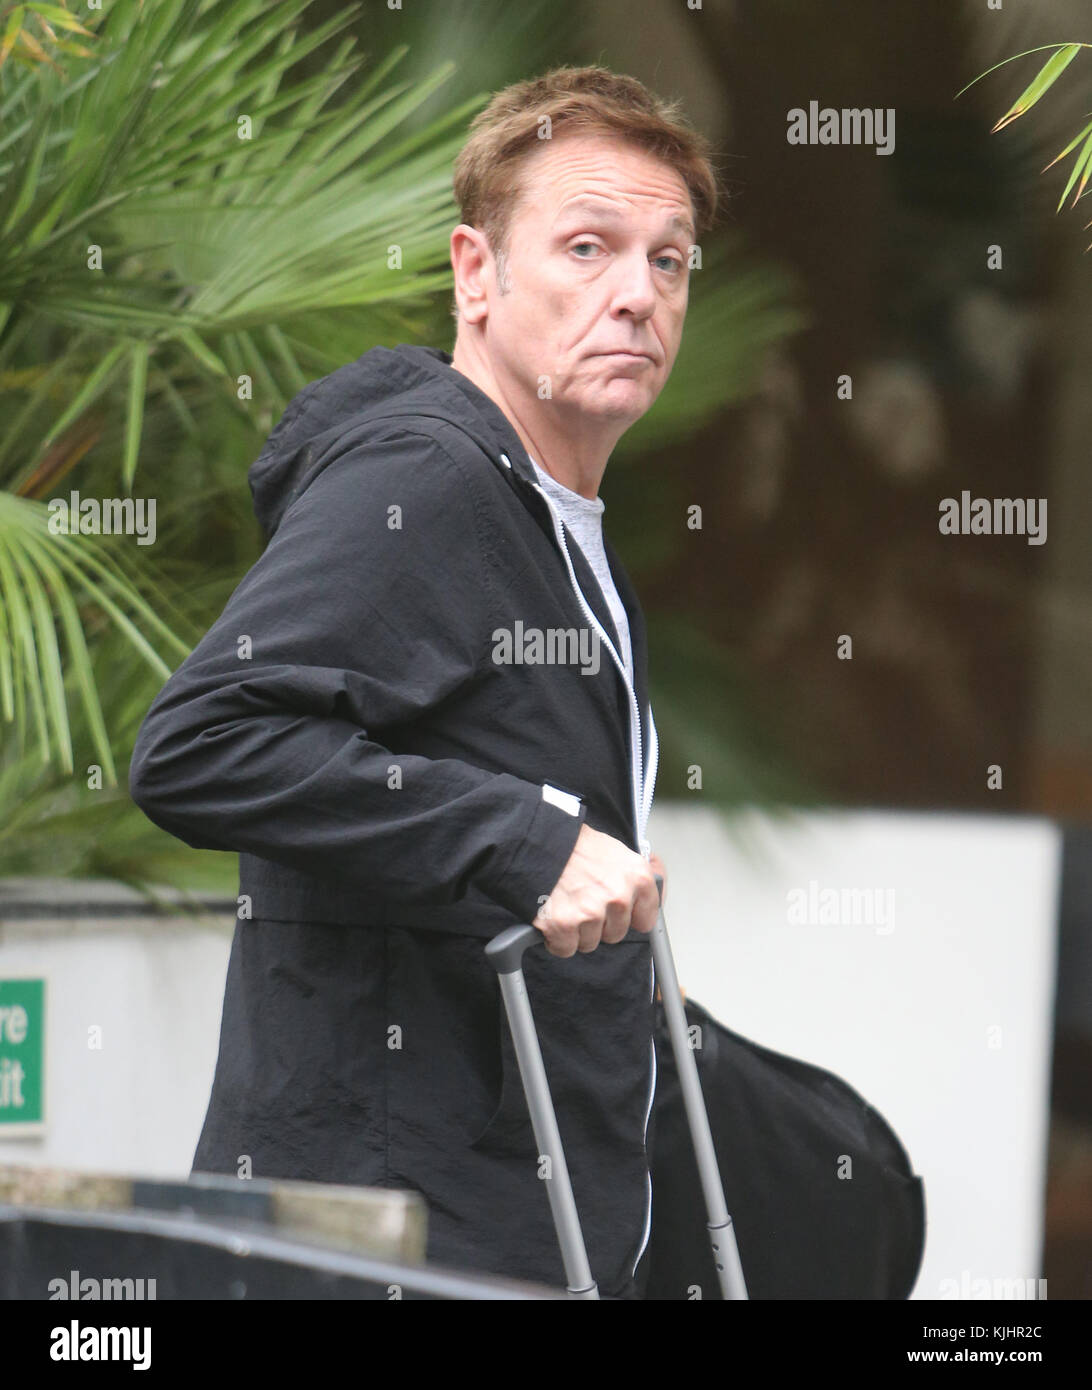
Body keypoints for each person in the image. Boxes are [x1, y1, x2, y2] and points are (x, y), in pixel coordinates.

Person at [127, 63, 718, 1299]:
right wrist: (521, 839)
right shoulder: (429, 478)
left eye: (669, 261)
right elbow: (202, 740)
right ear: (475, 272)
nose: (636, 295)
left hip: (494, 1221)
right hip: (386, 1244)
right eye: (588, 246)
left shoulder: (560, 524)